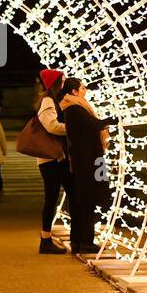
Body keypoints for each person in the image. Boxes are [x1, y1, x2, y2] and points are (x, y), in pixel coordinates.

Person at [59, 77, 111, 255]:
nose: (85, 89)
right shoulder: (74, 109)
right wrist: (112, 120)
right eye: (82, 87)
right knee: (88, 199)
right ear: (74, 91)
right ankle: (84, 241)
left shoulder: (76, 108)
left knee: (89, 199)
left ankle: (82, 240)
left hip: (91, 159)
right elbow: (93, 125)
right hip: (87, 161)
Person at [35, 68, 72, 253]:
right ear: (56, 83)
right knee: (51, 198)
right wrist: (72, 128)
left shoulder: (53, 101)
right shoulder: (48, 101)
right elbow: (52, 126)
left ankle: (49, 239)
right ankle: (45, 240)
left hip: (56, 159)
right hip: (50, 159)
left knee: (66, 193)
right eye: (62, 81)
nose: (64, 84)